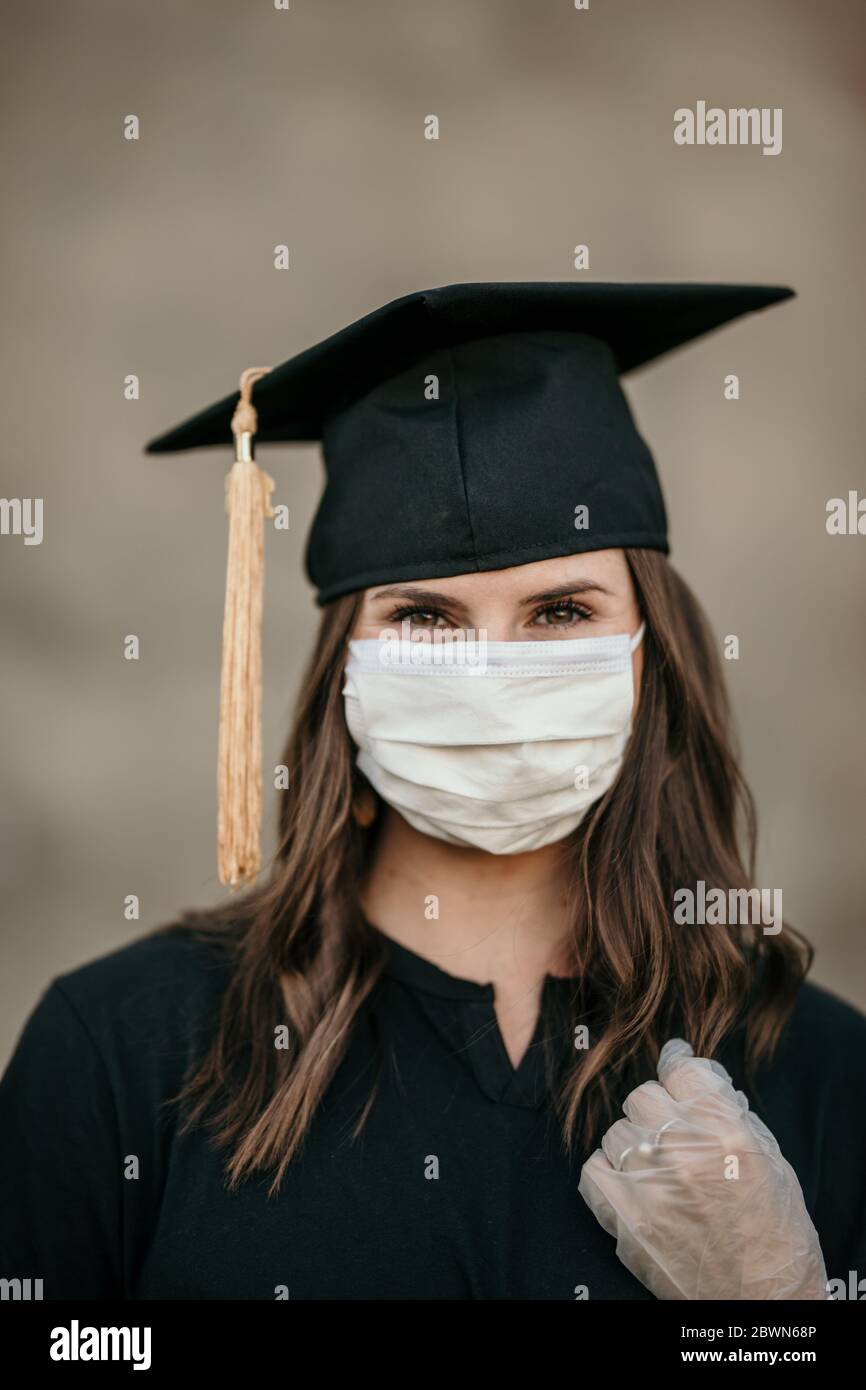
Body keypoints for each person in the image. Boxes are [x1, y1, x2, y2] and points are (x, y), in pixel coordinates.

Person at [1, 282, 864, 1301]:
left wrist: (769, 1303)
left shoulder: (817, 1070)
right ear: (345, 668)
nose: (490, 674)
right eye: (424, 617)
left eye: (557, 611)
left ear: (650, 656)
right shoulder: (121, 1051)